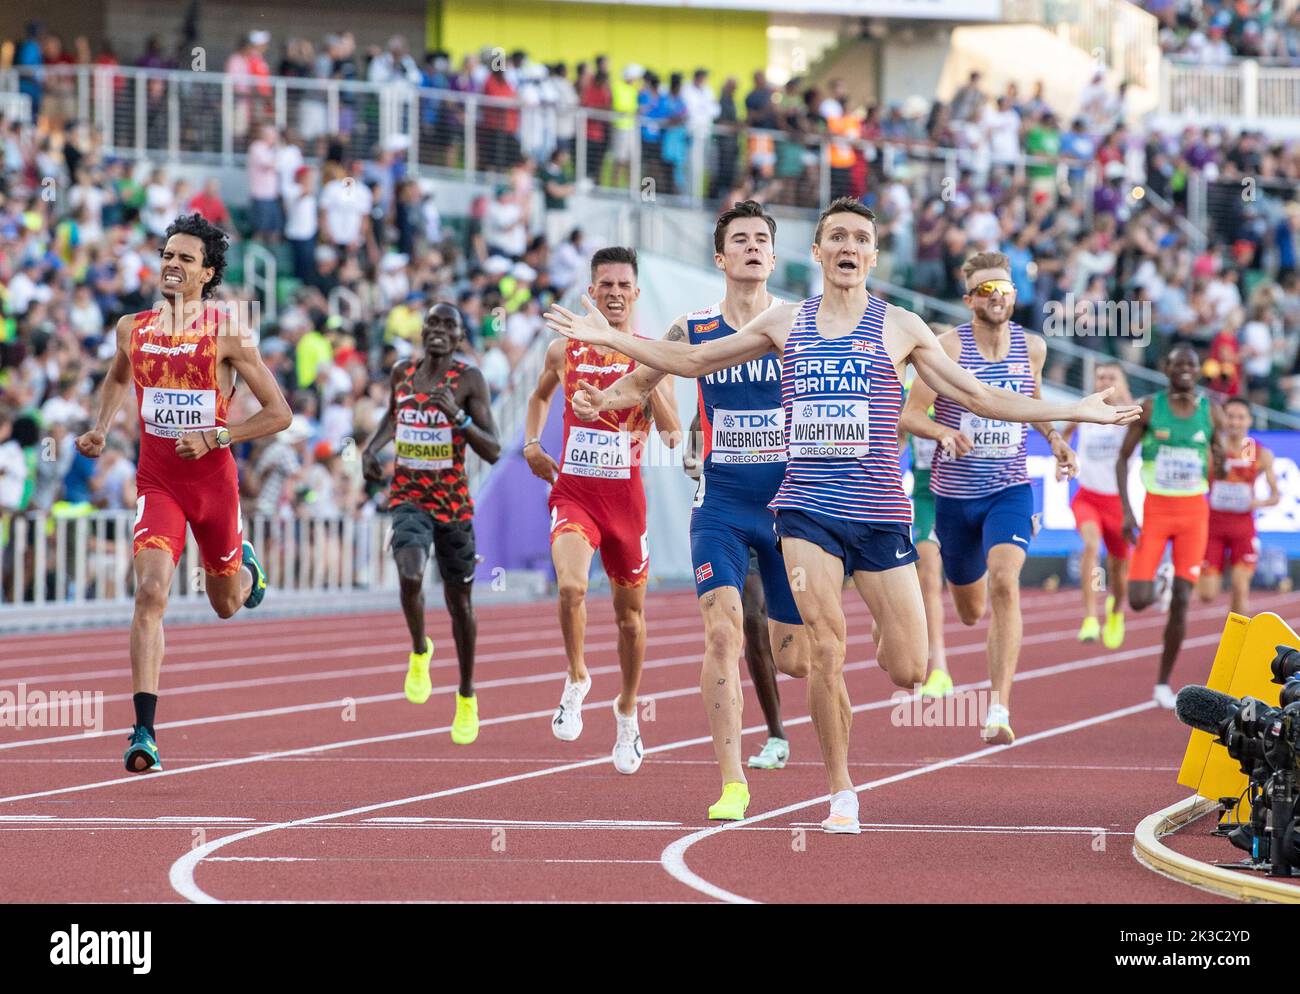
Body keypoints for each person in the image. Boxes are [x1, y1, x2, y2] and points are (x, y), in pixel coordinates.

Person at [546, 198, 1139, 832]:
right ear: (820, 253)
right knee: (825, 650)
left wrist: (1075, 411)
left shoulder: (902, 325)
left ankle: (885, 643)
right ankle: (840, 794)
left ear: (873, 255)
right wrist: (611, 339)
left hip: (881, 513)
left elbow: (978, 395)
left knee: (907, 667)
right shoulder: (785, 322)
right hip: (802, 510)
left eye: (861, 237)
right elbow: (692, 362)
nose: (849, 246)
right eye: (837, 237)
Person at [570, 201, 808, 819]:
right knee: (724, 632)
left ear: (774, 257)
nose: (753, 248)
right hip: (722, 503)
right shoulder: (693, 329)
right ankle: (732, 783)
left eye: (763, 239)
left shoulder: (800, 325)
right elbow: (640, 384)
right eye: (741, 240)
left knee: (797, 659)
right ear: (721, 258)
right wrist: (603, 399)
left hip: (790, 506)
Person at [74, 213, 291, 773]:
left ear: (207, 274)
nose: (172, 264)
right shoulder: (132, 327)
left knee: (225, 605)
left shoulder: (228, 334)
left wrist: (218, 434)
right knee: (150, 594)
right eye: (168, 254)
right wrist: (102, 425)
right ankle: (143, 730)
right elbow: (120, 376)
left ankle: (247, 573)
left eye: (185, 259)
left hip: (213, 483)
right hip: (159, 481)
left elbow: (279, 414)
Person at [901, 253, 1078, 746]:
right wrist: (942, 432)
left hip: (1010, 490)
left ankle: (997, 706)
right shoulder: (946, 347)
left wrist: (1056, 439)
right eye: (984, 290)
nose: (994, 296)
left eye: (1002, 288)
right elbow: (909, 415)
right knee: (970, 610)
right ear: (969, 299)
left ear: (1015, 295)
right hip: (955, 498)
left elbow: (1032, 405)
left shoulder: (1032, 348)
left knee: (1005, 580)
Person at [524, 247, 681, 774]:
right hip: (575, 493)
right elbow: (539, 398)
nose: (614, 292)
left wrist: (649, 376)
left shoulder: (652, 352)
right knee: (570, 587)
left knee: (630, 620)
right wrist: (530, 443)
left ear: (635, 294)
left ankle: (628, 711)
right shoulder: (562, 350)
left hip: (626, 505)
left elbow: (670, 430)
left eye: (623, 285)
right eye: (604, 285)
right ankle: (577, 677)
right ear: (591, 293)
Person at [362, 303, 501, 744]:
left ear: (460, 337)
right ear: (422, 331)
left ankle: (466, 694)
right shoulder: (402, 372)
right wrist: (372, 448)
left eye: (449, 326)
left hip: (454, 504)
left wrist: (458, 418)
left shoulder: (469, 380)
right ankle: (420, 649)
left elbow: (494, 449)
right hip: (408, 496)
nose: (439, 331)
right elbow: (393, 414)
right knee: (409, 573)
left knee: (460, 603)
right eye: (433, 323)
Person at [1116, 342, 1223, 710]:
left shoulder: (1212, 413)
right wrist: (1128, 512)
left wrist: (1220, 460)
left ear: (1198, 370)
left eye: (1191, 365)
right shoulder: (1150, 408)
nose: (1184, 371)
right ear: (1166, 368)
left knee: (1182, 600)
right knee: (1138, 600)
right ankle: (1159, 578)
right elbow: (1122, 458)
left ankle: (1163, 682)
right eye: (1178, 365)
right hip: (1157, 512)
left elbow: (1219, 461)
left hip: (1194, 514)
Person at [1062, 362, 1137, 649]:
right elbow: (1066, 430)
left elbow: (1138, 418)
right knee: (1091, 546)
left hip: (1117, 504)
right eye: (1101, 377)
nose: (1105, 381)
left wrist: (1123, 396)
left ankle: (1116, 611)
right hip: (1088, 497)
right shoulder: (1085, 410)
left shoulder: (1129, 413)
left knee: (1119, 573)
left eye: (1112, 377)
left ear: (1122, 382)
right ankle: (1090, 617)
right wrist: (1063, 455)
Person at [1198, 396, 1280, 616]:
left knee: (1239, 586)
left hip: (1242, 528)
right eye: (1231, 417)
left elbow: (1275, 496)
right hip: (1212, 527)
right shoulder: (1211, 449)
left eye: (1240, 417)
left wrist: (1257, 502)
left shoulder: (1260, 453)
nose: (1235, 422)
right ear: (1223, 419)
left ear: (1249, 421)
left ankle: (1239, 643)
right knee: (1206, 594)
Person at [900, 355, 951, 699]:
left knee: (972, 607)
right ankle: (940, 668)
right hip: (926, 499)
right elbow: (896, 440)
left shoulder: (961, 392)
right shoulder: (908, 395)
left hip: (962, 495)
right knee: (928, 577)